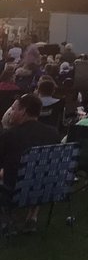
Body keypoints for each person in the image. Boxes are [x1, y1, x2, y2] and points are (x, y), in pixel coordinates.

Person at [0, 94, 61, 233]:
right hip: (45, 187)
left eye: (14, 109)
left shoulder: (10, 136)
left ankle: (7, 217)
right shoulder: (53, 133)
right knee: (38, 171)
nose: (10, 112)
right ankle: (32, 216)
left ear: (24, 111)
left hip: (14, 188)